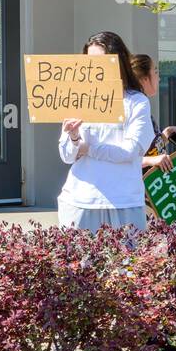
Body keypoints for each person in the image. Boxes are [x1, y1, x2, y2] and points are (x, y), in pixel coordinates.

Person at [57, 32, 153, 231]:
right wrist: (74, 139)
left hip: (124, 201)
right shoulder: (78, 98)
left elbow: (130, 150)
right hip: (79, 200)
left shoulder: (137, 102)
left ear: (119, 62)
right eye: (90, 62)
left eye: (101, 62)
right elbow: (66, 156)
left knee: (130, 261)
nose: (94, 68)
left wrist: (88, 148)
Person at [130, 54, 176, 173]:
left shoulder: (141, 105)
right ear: (144, 79)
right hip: (139, 184)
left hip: (152, 185)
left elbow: (148, 149)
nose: (158, 78)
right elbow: (124, 157)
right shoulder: (134, 107)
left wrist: (164, 137)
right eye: (155, 72)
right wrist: (151, 161)